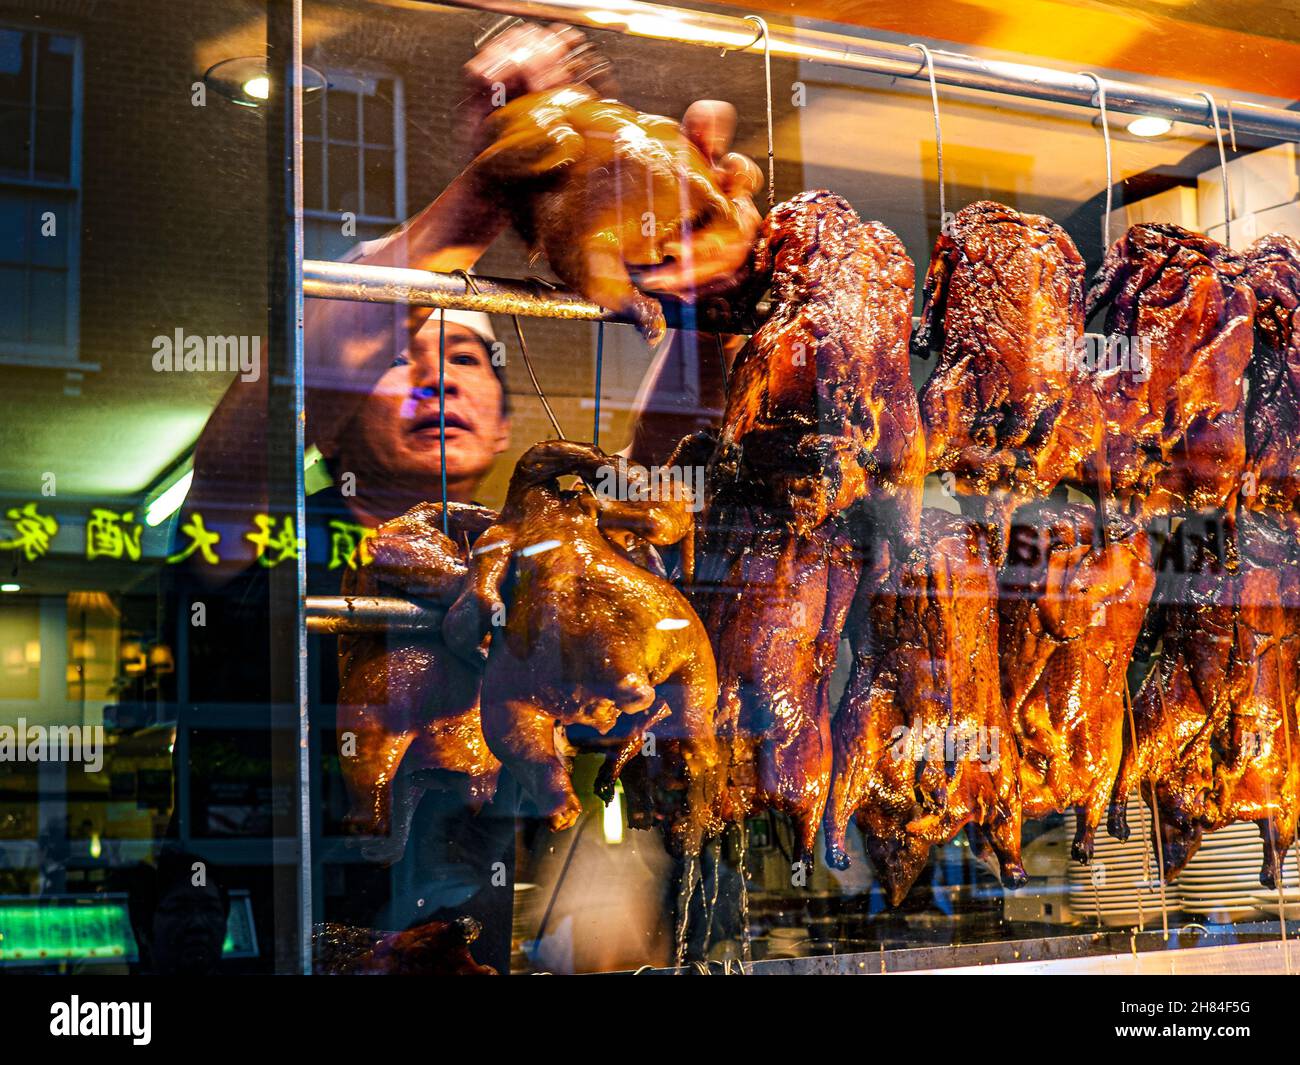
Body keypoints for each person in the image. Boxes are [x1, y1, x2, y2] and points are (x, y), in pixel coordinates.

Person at [171, 20, 760, 973]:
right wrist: (489, 191)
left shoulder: (536, 556)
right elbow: (228, 493)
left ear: (501, 420)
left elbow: (662, 480)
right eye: (400, 354)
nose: (436, 376)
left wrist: (697, 288)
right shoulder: (286, 537)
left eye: (465, 356)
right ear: (345, 401)